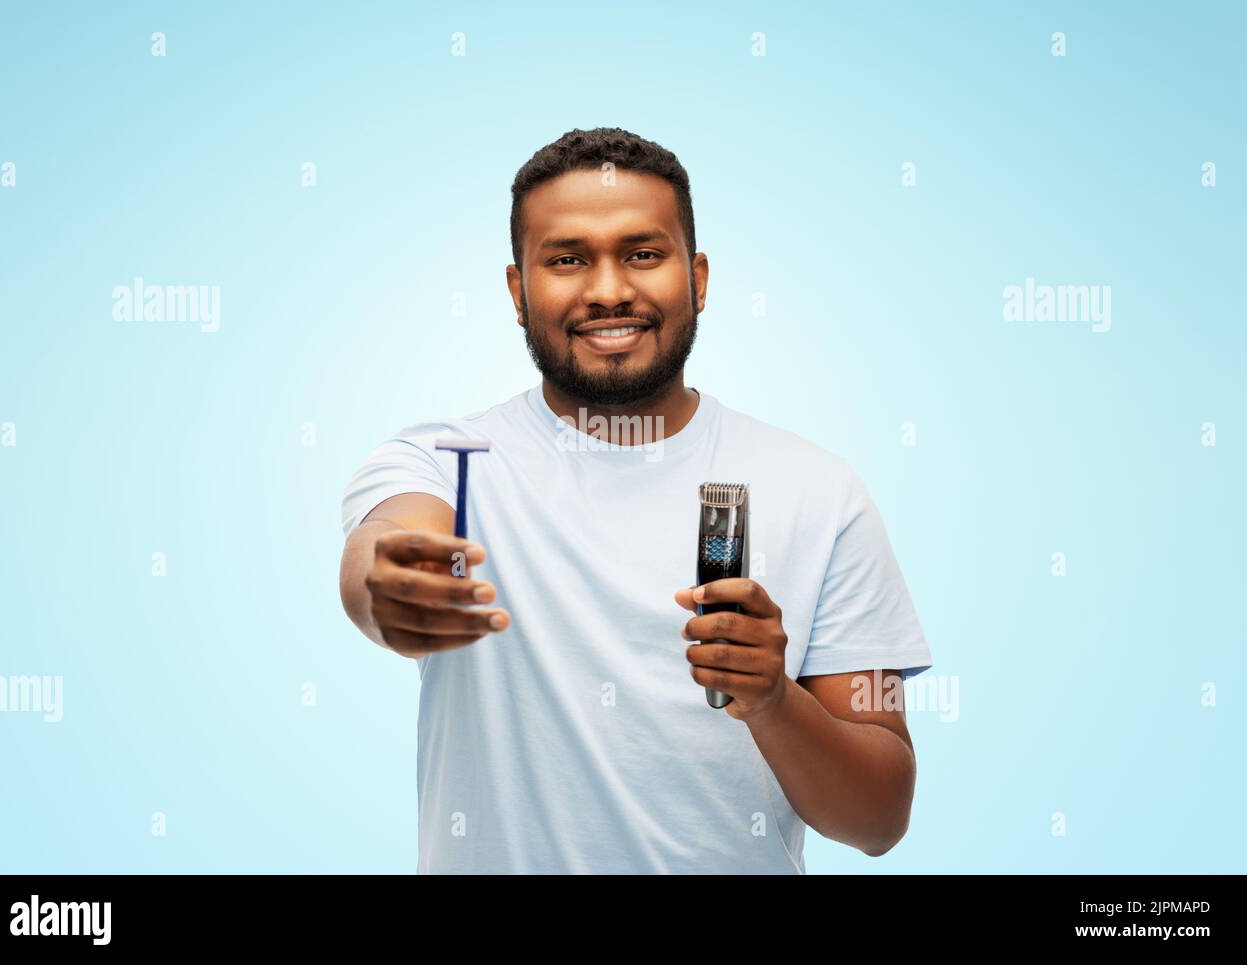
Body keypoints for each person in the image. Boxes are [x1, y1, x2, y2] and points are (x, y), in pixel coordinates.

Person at [338, 127, 934, 874]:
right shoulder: (442, 462)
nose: (609, 289)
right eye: (567, 259)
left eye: (643, 254)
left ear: (700, 278)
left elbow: (880, 818)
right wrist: (391, 584)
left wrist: (775, 699)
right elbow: (385, 544)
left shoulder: (820, 490)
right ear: (520, 292)